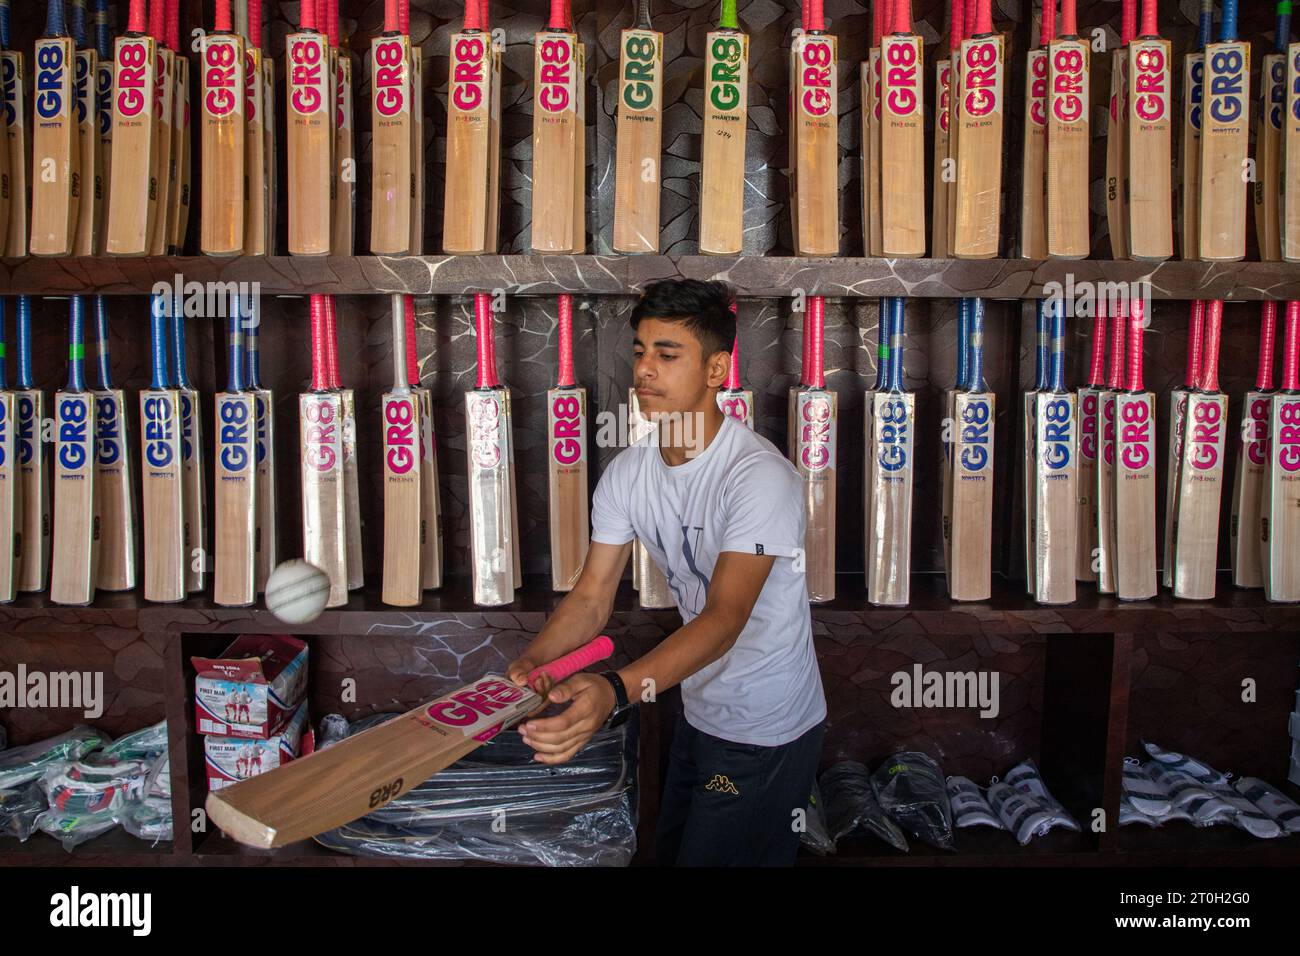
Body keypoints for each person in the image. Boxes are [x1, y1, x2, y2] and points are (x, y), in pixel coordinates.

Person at [507, 279, 826, 866]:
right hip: (698, 711)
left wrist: (616, 692)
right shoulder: (629, 473)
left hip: (765, 732)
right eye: (640, 351)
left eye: (667, 354)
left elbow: (725, 620)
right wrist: (533, 668)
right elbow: (591, 597)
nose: (644, 371)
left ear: (716, 370)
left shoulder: (758, 477)